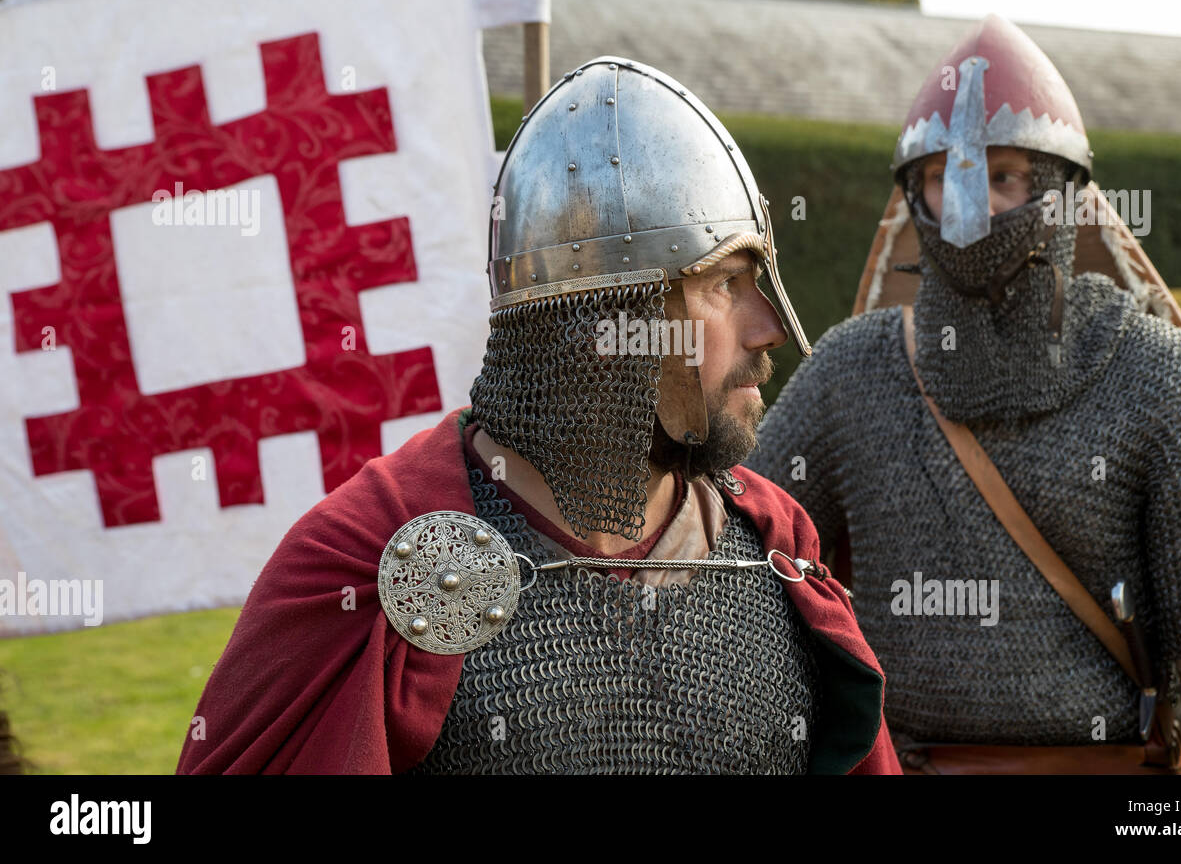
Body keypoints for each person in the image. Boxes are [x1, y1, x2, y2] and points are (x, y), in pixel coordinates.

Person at [176, 57, 901, 775]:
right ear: (603, 326)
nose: (769, 326)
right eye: (722, 284)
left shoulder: (774, 550)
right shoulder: (374, 563)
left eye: (759, 281)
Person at [748, 15, 1181, 774]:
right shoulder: (851, 376)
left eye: (1003, 175)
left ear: (1063, 193)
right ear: (914, 192)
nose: (971, 209)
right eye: (945, 176)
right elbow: (744, 577)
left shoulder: (1170, 384)